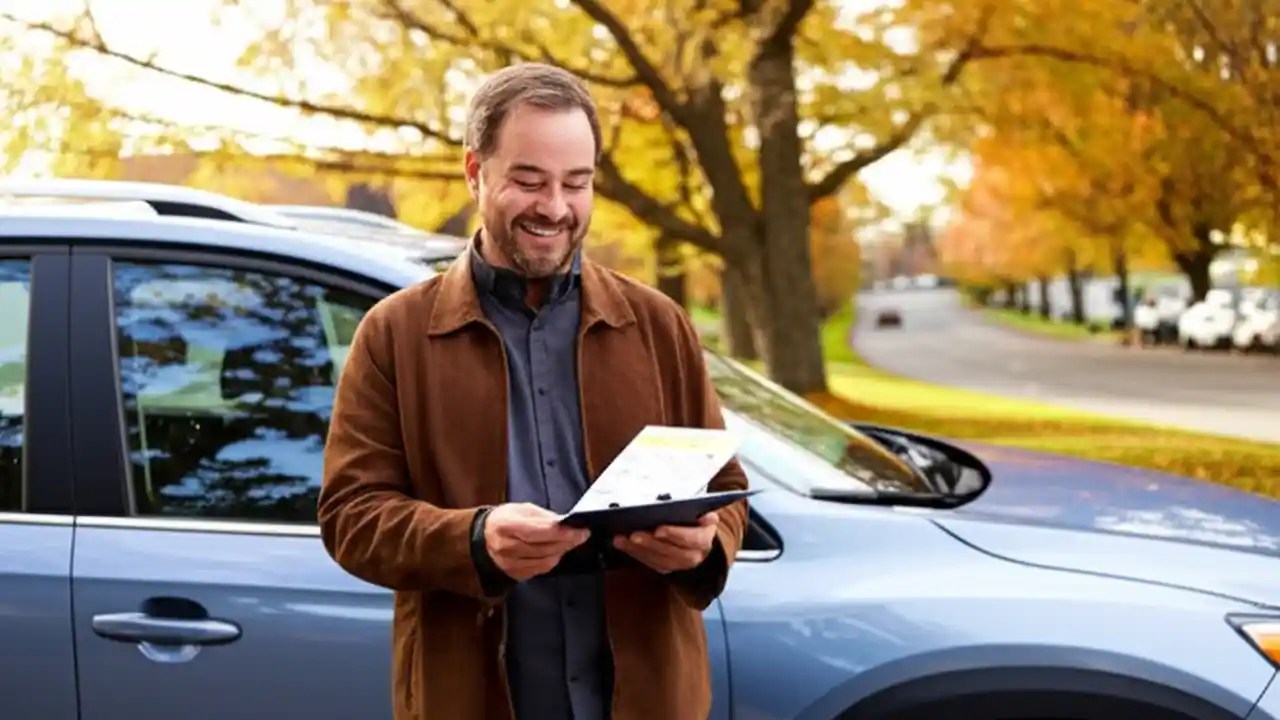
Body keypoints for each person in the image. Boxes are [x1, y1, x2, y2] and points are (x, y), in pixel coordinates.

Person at [317, 62, 750, 720]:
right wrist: (472, 539)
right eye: (529, 180)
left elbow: (727, 489)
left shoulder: (659, 324)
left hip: (645, 700)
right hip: (471, 698)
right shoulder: (394, 335)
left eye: (576, 184)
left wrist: (704, 541)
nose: (555, 207)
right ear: (474, 172)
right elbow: (350, 518)